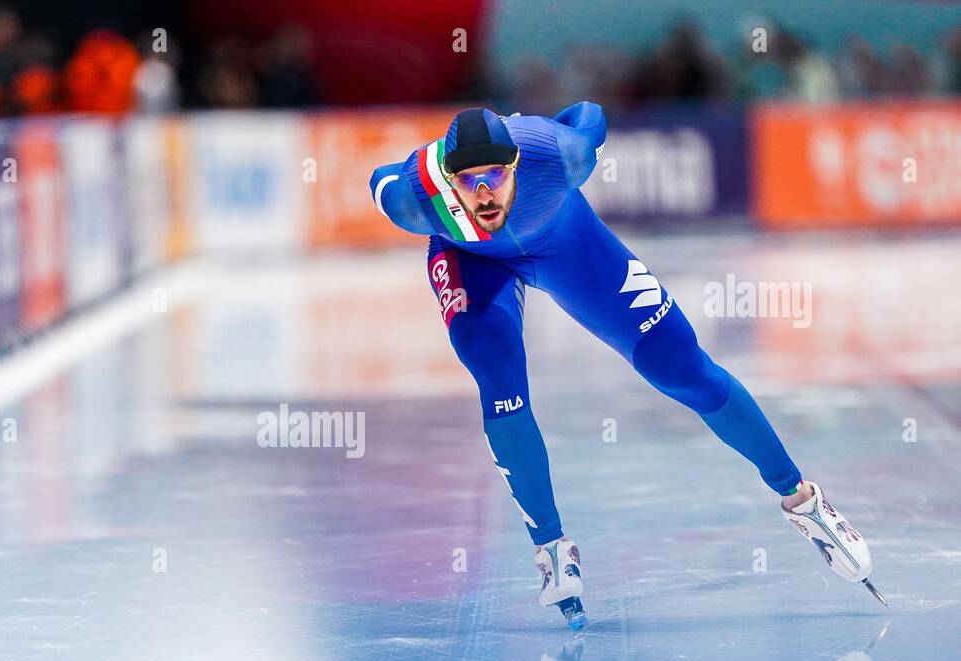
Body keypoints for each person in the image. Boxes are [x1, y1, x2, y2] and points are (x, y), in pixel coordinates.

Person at [369, 104, 883, 630]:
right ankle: (551, 548)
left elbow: (588, 115)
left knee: (683, 370)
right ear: (450, 178)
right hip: (473, 262)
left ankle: (803, 501)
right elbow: (379, 178)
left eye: (495, 176)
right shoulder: (415, 200)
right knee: (497, 375)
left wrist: (540, 121)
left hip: (567, 242)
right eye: (470, 181)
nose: (483, 194)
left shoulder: (557, 155)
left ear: (517, 163)